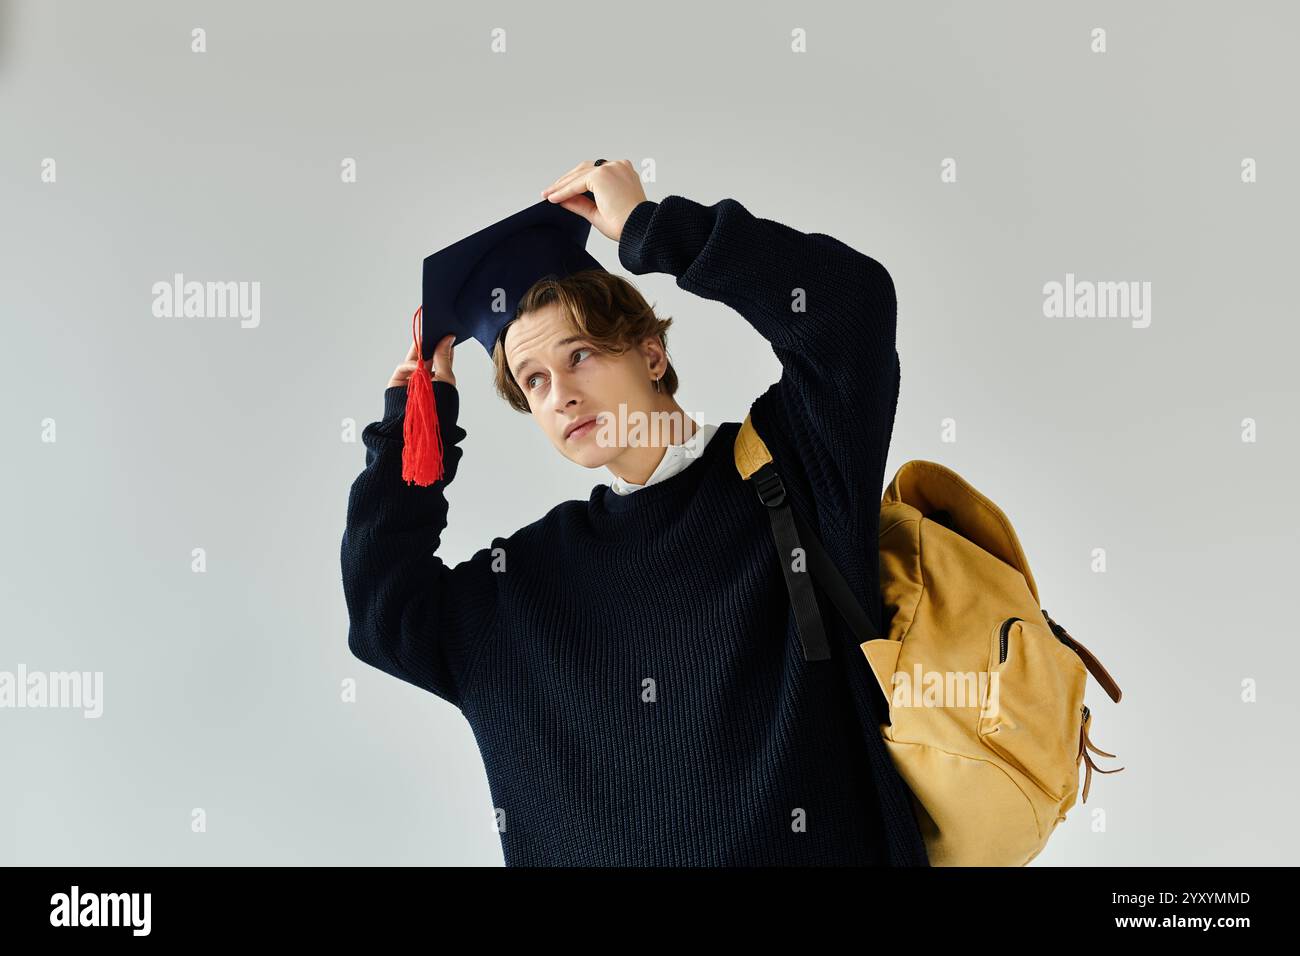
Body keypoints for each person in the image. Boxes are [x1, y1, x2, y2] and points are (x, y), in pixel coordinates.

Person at [340, 159, 929, 866]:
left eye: (580, 353)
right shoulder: (523, 585)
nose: (559, 393)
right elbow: (384, 612)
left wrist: (657, 230)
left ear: (651, 354)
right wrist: (412, 425)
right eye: (534, 381)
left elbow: (852, 310)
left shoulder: (793, 470)